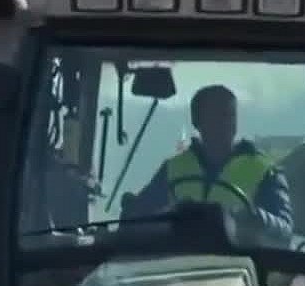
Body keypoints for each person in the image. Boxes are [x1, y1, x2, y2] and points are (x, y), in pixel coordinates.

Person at [124, 84, 294, 246]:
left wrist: (244, 217)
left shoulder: (264, 171)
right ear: (197, 121)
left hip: (241, 269)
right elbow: (137, 220)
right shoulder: (173, 169)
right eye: (217, 116)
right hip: (177, 266)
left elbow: (284, 232)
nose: (226, 124)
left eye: (230, 116)